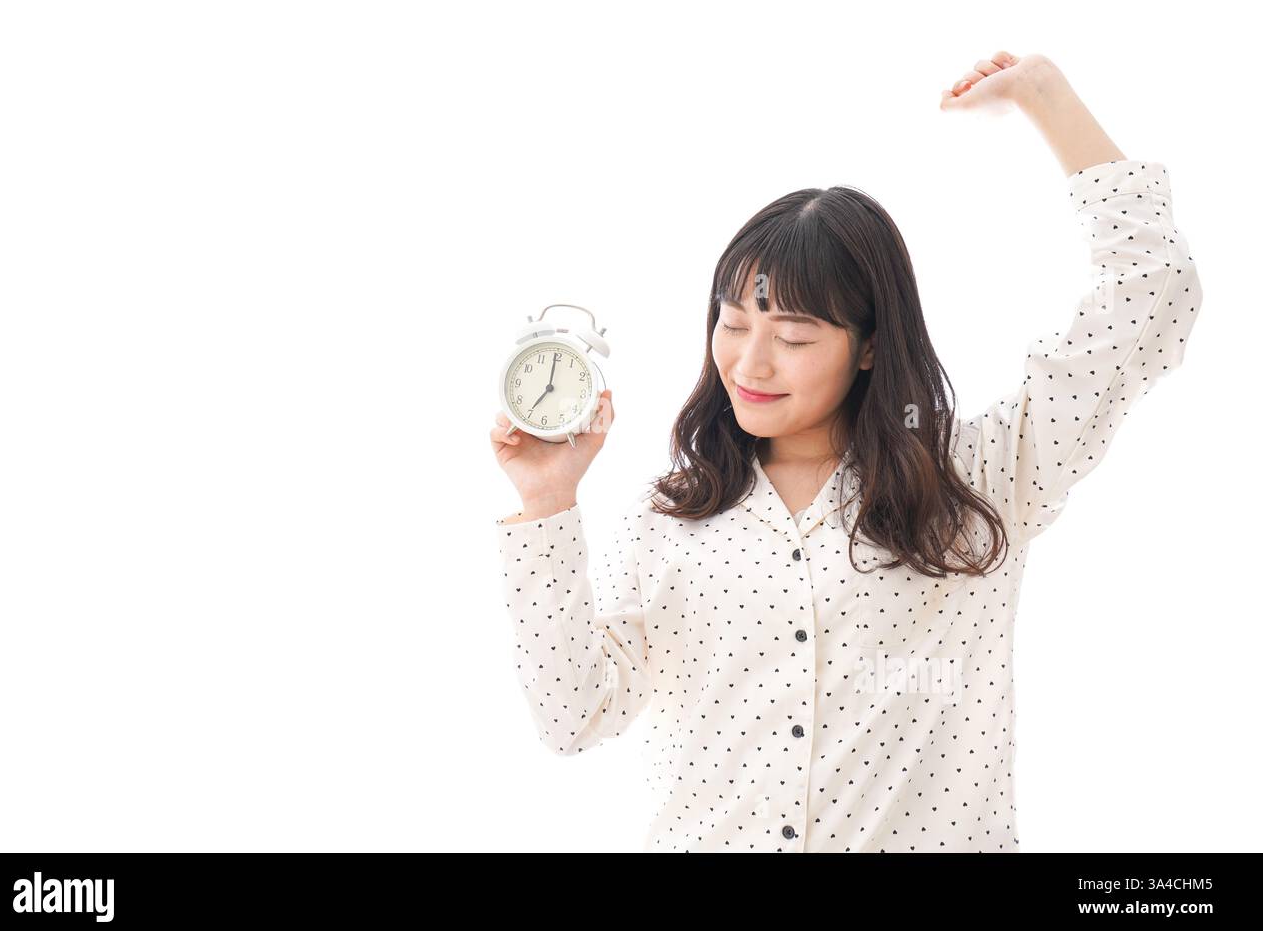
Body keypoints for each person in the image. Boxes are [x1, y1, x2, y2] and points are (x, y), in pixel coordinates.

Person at [488, 51, 1203, 852]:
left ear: (867, 347)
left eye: (794, 337)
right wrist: (547, 506)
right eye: (732, 322)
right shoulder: (673, 520)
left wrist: (1046, 96)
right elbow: (570, 716)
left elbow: (1153, 296)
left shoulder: (977, 484)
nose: (749, 365)